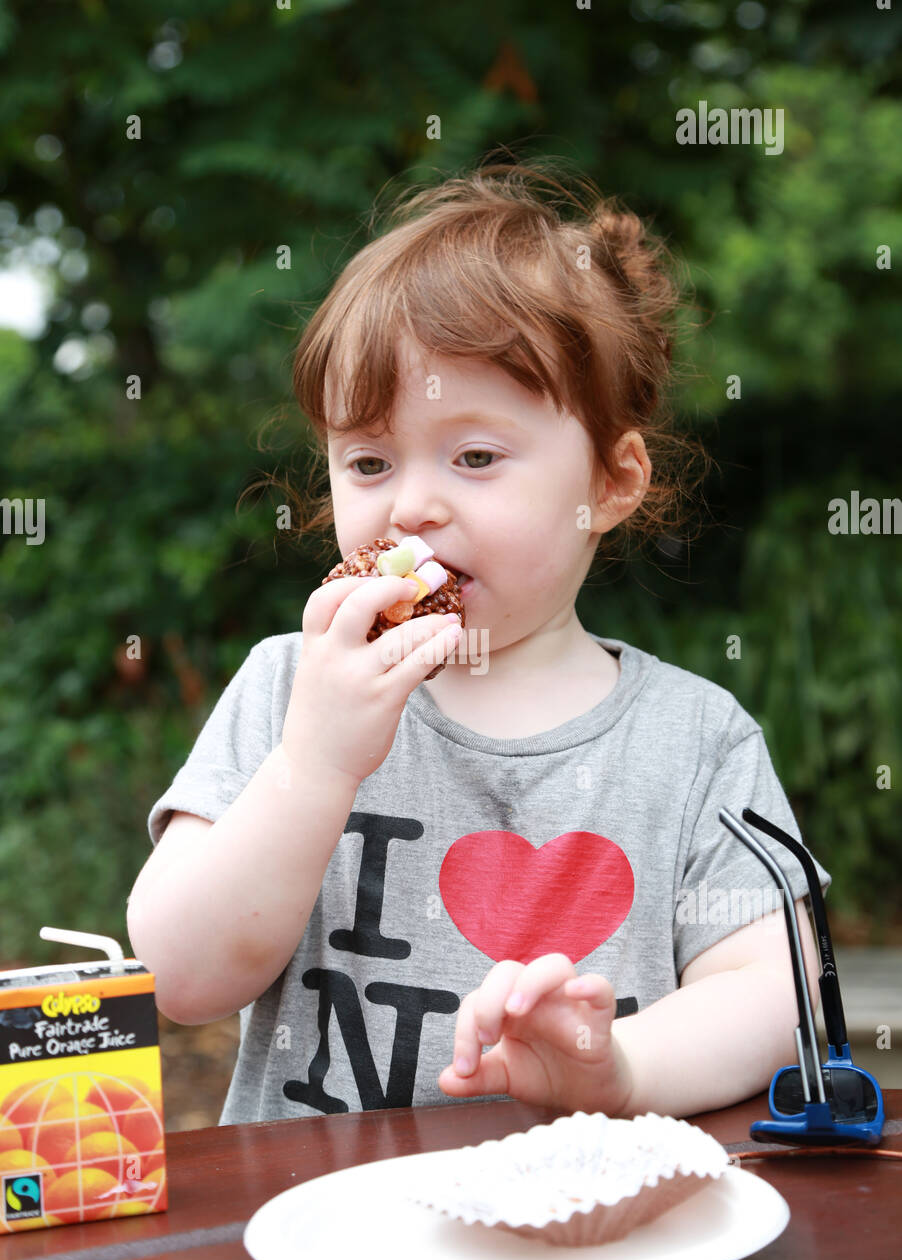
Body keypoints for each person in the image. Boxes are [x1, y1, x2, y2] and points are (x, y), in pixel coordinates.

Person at [127, 159, 830, 1126]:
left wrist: (620, 1066)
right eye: (368, 459)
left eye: (475, 457)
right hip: (320, 1240)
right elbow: (178, 976)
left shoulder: (696, 738)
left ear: (613, 483)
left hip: (581, 1236)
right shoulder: (290, 690)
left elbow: (781, 990)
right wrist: (316, 766)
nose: (411, 504)